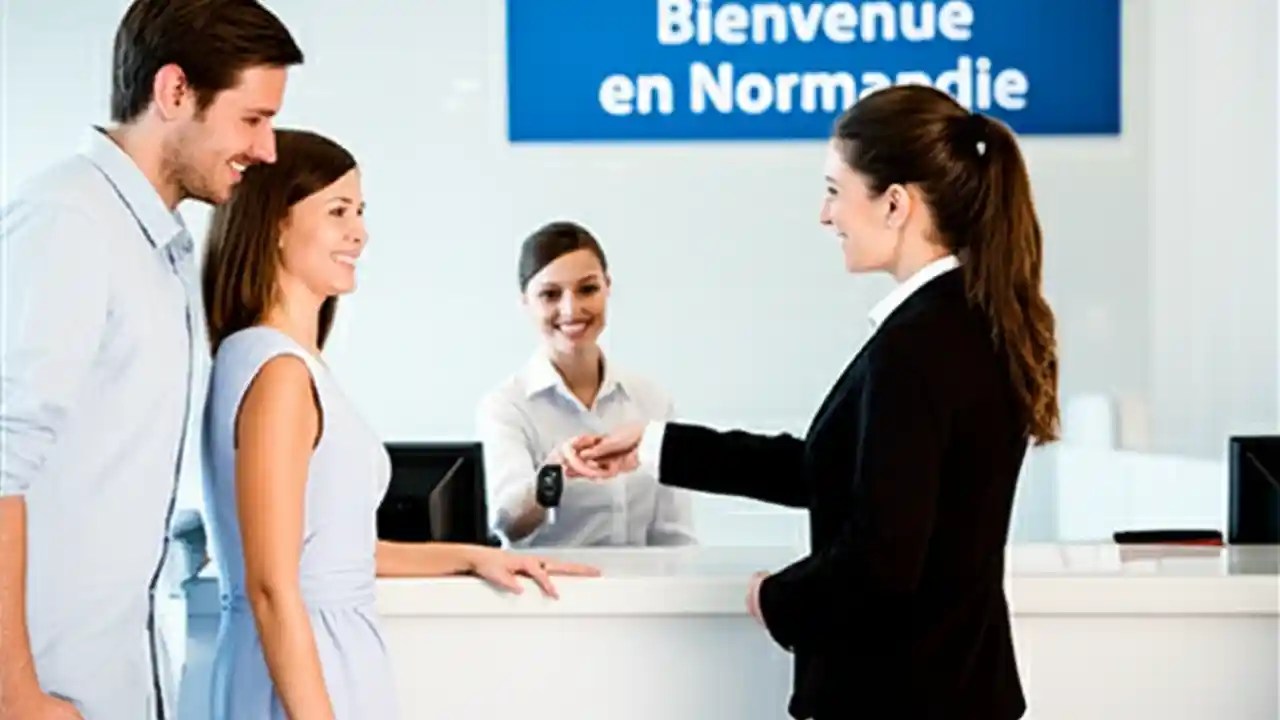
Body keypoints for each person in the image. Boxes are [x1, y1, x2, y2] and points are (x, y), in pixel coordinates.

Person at [561, 84, 1059, 720]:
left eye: (833, 190)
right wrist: (656, 445)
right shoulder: (968, 324)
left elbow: (883, 559)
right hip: (952, 690)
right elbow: (831, 472)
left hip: (901, 697)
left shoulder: (918, 347)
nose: (825, 216)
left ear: (896, 204)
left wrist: (777, 599)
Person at [201, 128, 599, 720]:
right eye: (337, 212)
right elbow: (270, 587)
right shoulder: (279, 373)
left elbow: (333, 552)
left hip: (323, 659)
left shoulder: (272, 359)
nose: (358, 232)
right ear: (276, 224)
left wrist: (472, 556)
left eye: (359, 211)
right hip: (301, 675)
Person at [0, 2, 303, 718]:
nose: (266, 151)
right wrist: (15, 695)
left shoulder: (158, 247)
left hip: (122, 681)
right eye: (252, 120)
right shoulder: (69, 222)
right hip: (50, 692)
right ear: (173, 93)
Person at [476, 221, 697, 548]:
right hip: (549, 594)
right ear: (526, 302)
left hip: (643, 593)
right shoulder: (507, 407)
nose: (570, 309)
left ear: (607, 287)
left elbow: (676, 536)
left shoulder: (651, 400)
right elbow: (509, 527)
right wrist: (554, 471)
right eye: (550, 295)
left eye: (587, 289)